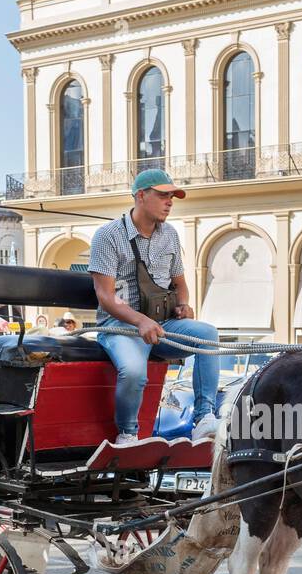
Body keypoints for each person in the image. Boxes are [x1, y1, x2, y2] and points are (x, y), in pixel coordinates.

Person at [88, 169, 219, 445]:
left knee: (208, 334)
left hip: (162, 323)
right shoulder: (107, 236)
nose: (169, 202)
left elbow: (180, 284)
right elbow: (106, 297)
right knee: (134, 371)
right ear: (140, 196)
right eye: (163, 195)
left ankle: (204, 418)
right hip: (120, 327)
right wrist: (140, 321)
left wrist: (184, 306)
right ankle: (128, 433)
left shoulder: (170, 235)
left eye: (172, 196)